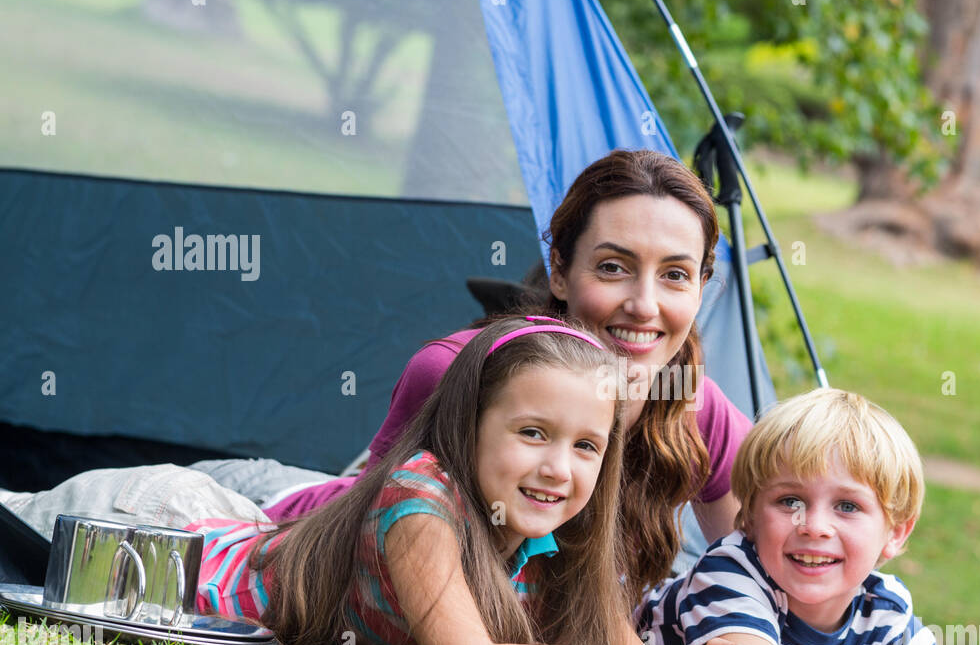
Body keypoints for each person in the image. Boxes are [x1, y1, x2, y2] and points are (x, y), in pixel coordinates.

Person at [184, 316, 779, 645]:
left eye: (585, 447)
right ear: (468, 426)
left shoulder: (555, 532)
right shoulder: (420, 498)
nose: (557, 468)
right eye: (532, 433)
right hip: (172, 545)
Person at [261, 149, 752, 601]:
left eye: (675, 275)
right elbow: (368, 565)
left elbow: (758, 572)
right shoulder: (455, 372)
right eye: (612, 267)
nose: (644, 305)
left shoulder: (692, 402)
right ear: (559, 270)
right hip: (270, 514)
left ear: (702, 287)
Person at [636, 388, 980, 645]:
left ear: (896, 532)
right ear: (749, 517)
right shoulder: (729, 572)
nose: (814, 525)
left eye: (848, 506)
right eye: (790, 501)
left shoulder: (881, 609)